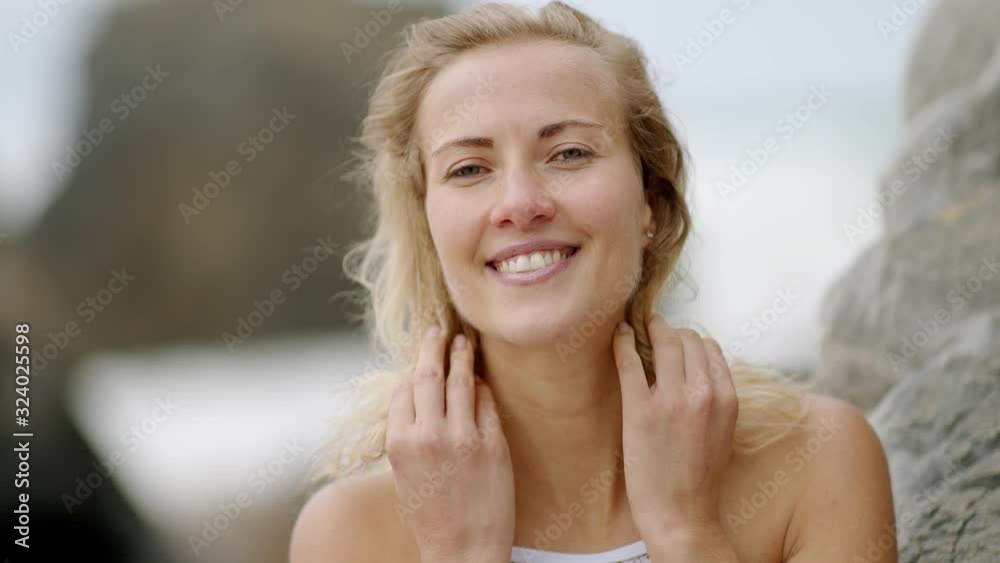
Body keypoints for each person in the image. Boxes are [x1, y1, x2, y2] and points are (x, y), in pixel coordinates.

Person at [290, 2, 896, 562]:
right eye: (470, 168)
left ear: (650, 204)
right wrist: (462, 551)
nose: (521, 203)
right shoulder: (349, 534)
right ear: (427, 226)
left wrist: (688, 532)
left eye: (570, 154)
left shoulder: (818, 462)